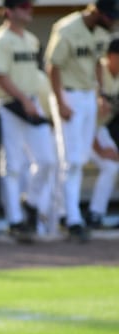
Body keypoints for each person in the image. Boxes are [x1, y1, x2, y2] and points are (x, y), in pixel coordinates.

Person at [0, 0, 58, 243]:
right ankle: (15, 220)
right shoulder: (0, 39)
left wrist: (34, 102)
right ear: (10, 11)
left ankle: (32, 202)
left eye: (30, 6)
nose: (29, 10)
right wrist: (24, 99)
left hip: (31, 103)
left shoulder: (31, 39)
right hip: (8, 105)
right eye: (24, 6)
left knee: (47, 160)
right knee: (13, 165)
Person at [45, 0, 119, 242]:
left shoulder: (99, 33)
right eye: (108, 15)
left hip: (88, 94)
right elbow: (53, 66)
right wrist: (60, 101)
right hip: (69, 93)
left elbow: (97, 63)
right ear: (95, 10)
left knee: (79, 158)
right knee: (71, 160)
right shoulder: (67, 28)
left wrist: (99, 94)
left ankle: (66, 213)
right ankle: (71, 217)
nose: (111, 20)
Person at [86, 36, 119, 229]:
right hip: (79, 131)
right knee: (65, 168)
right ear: (110, 56)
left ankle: (95, 214)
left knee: (111, 165)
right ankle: (63, 216)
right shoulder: (97, 76)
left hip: (100, 128)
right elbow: (84, 119)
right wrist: (98, 148)